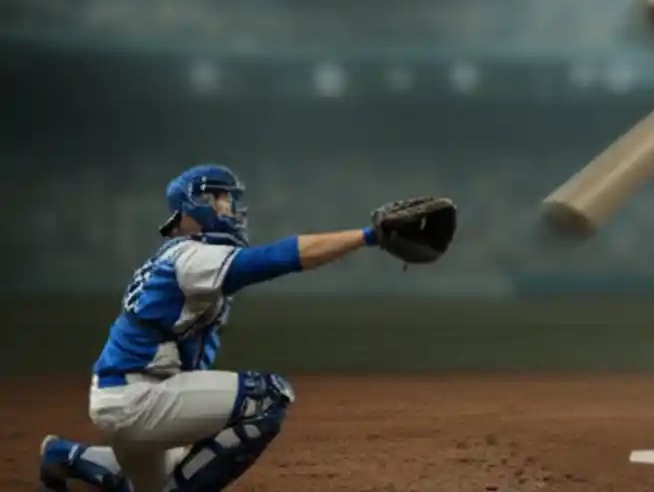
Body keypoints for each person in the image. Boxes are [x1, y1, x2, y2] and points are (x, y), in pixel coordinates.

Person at [38, 164, 456, 492]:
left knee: (159, 477)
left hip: (129, 398)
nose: (233, 209)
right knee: (269, 396)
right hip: (138, 399)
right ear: (199, 203)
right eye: (224, 199)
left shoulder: (181, 254)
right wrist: (368, 236)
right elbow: (274, 260)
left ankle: (65, 455)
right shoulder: (193, 256)